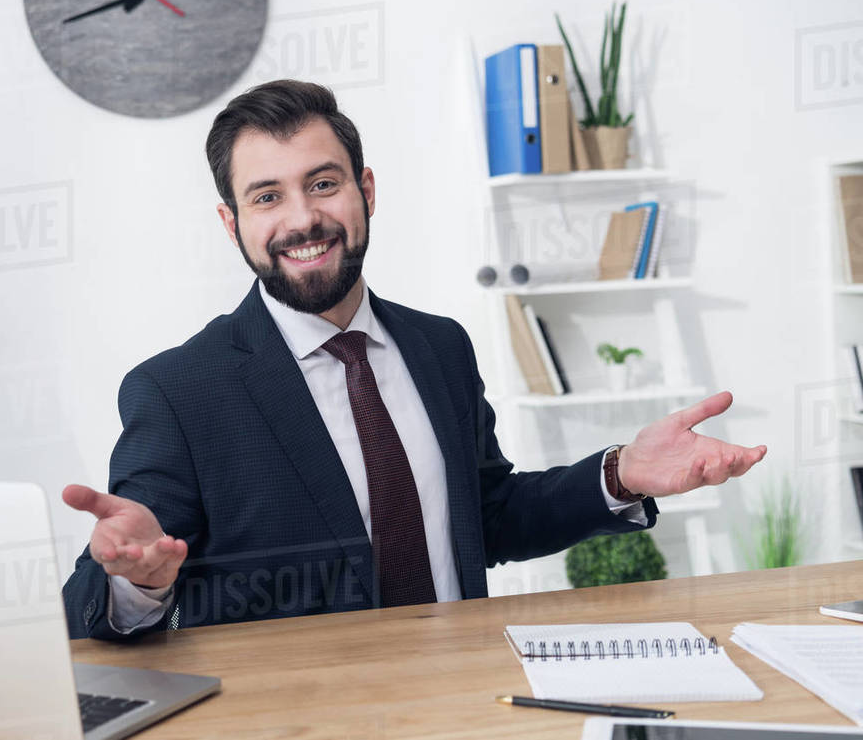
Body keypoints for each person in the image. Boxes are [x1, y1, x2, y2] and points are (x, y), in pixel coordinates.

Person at [61, 80, 766, 640]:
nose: (302, 218)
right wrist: (139, 582)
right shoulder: (178, 391)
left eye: (323, 183)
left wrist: (620, 472)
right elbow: (91, 603)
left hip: (465, 700)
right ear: (232, 222)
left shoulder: (440, 347)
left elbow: (487, 518)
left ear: (365, 190)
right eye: (267, 196)